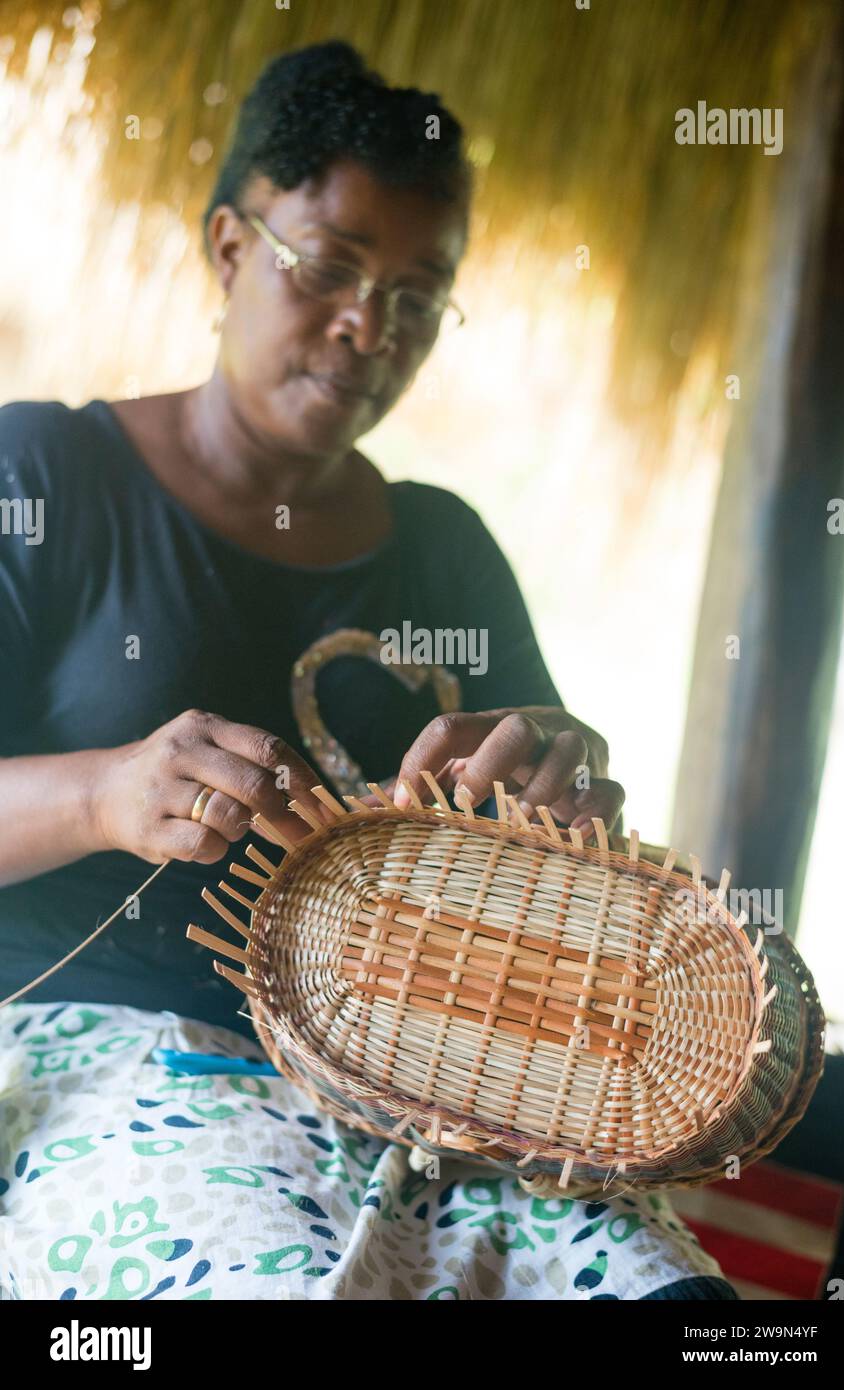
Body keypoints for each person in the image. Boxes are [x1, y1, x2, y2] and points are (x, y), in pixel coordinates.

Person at [0, 41, 735, 1302]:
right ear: (230, 248)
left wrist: (563, 797)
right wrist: (102, 795)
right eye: (329, 265)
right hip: (118, 1063)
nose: (367, 326)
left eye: (417, 292)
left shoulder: (444, 550)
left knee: (684, 1305)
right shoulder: (46, 480)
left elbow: (571, 883)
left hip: (447, 1091)